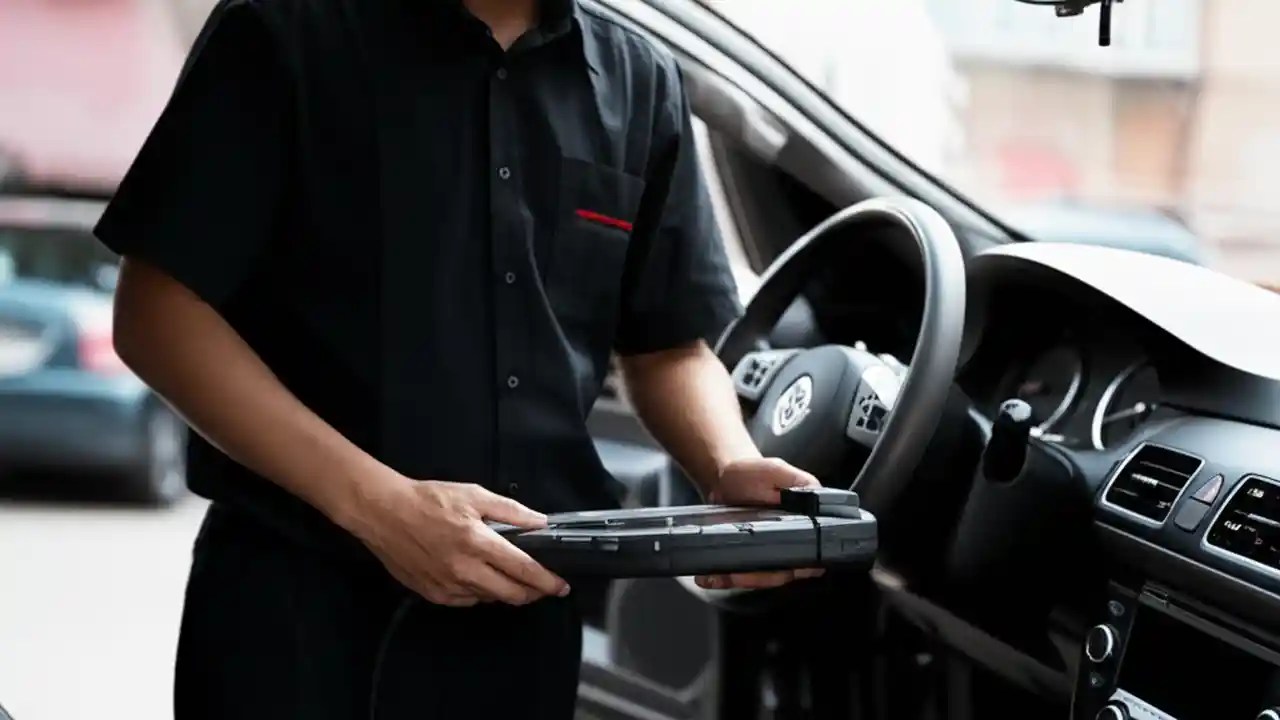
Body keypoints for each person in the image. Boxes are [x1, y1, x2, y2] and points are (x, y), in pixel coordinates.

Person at [97, 0, 822, 716]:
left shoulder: (640, 79)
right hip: (294, 614)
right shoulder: (282, 29)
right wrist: (380, 508)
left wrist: (726, 466)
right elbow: (158, 315)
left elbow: (669, 345)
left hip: (524, 616)